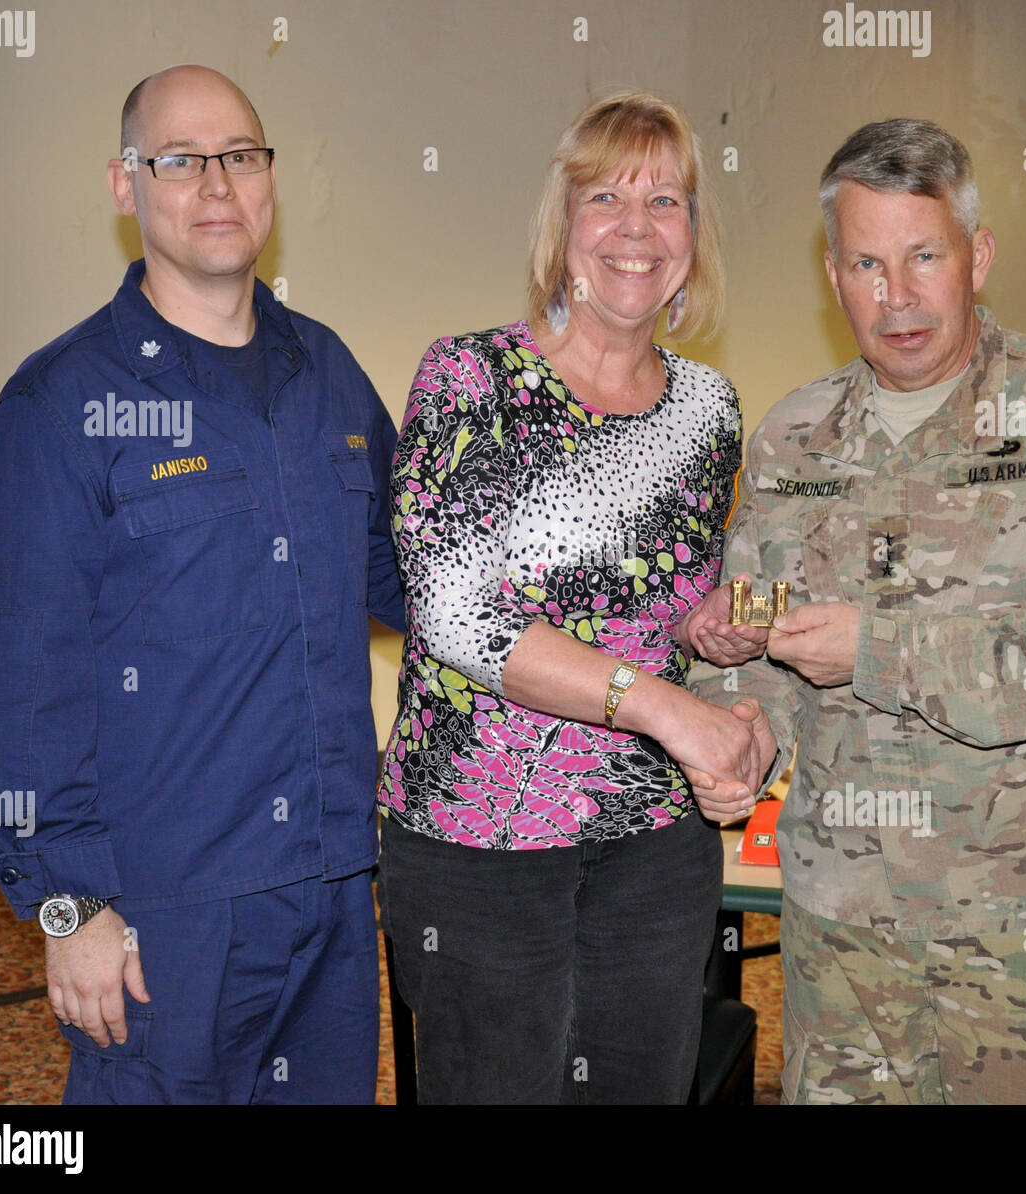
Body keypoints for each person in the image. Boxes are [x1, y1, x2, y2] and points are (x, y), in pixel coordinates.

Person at [686, 118, 1026, 1105]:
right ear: (831, 275)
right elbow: (755, 630)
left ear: (978, 257)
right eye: (866, 264)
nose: (898, 297)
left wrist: (886, 650)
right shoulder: (792, 438)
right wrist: (735, 718)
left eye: (924, 256)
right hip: (847, 934)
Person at [0, 65, 405, 1104]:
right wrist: (68, 911)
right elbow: (10, 698)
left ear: (269, 179)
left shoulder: (324, 371)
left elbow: (403, 571)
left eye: (239, 156)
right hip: (161, 913)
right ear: (125, 184)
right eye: (179, 161)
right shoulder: (63, 405)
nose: (215, 185)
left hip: (332, 887)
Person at [378, 91, 775, 1104]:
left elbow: (667, 604)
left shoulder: (707, 406)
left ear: (694, 236)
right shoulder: (471, 379)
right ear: (564, 229)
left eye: (668, 200)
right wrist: (664, 708)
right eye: (607, 196)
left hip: (650, 845)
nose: (637, 229)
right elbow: (458, 617)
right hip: (479, 841)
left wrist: (711, 636)